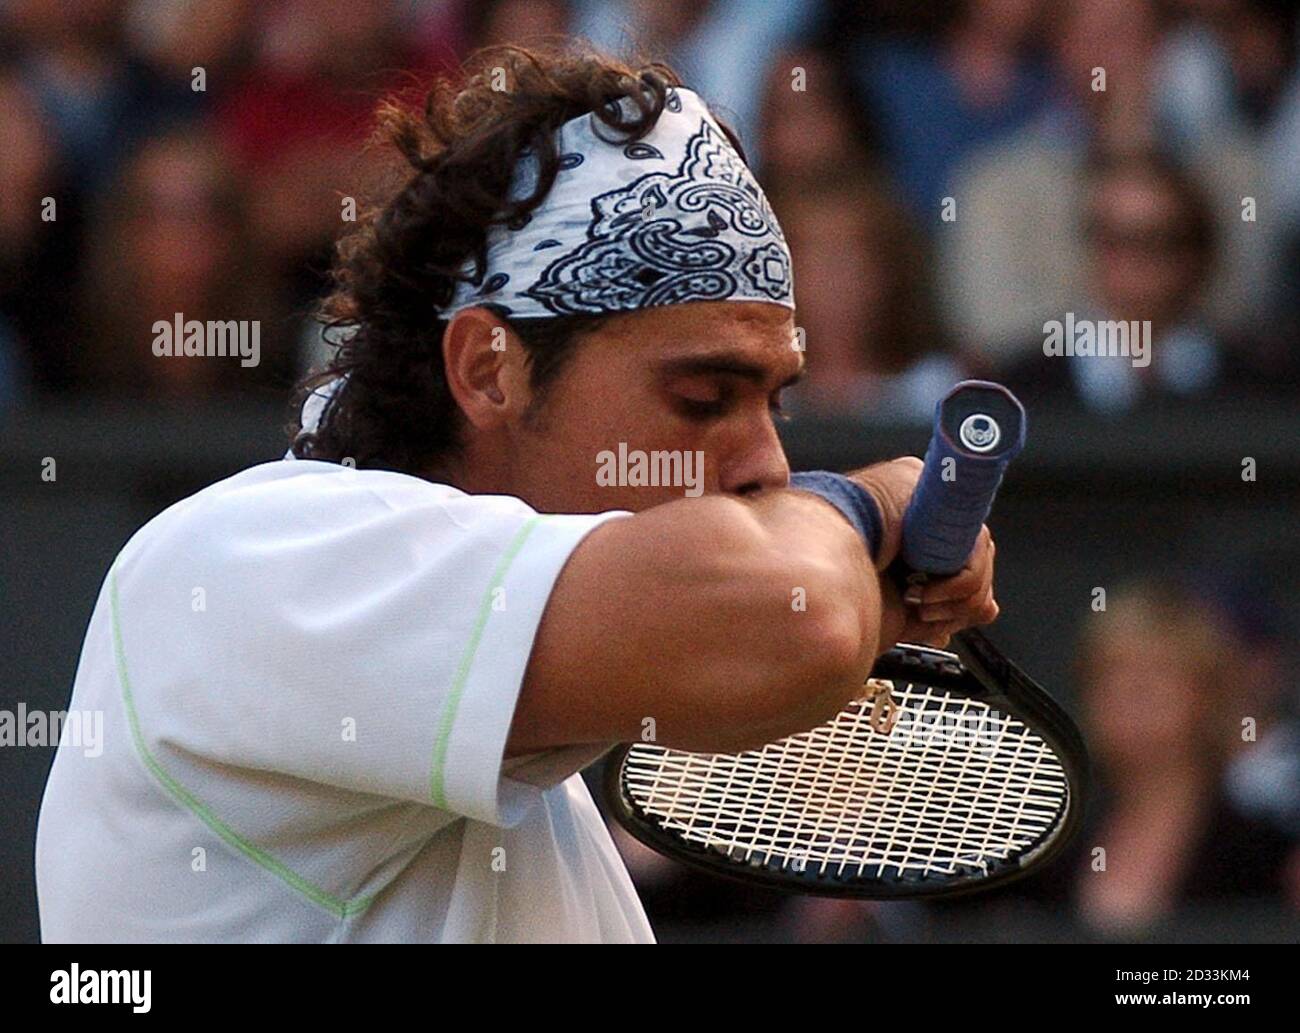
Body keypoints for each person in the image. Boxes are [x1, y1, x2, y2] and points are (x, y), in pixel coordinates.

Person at [35, 45, 999, 944]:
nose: (767, 465)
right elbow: (796, 621)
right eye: (705, 398)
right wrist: (870, 505)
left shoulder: (530, 781)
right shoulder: (237, 562)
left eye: (775, 400)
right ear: (490, 369)